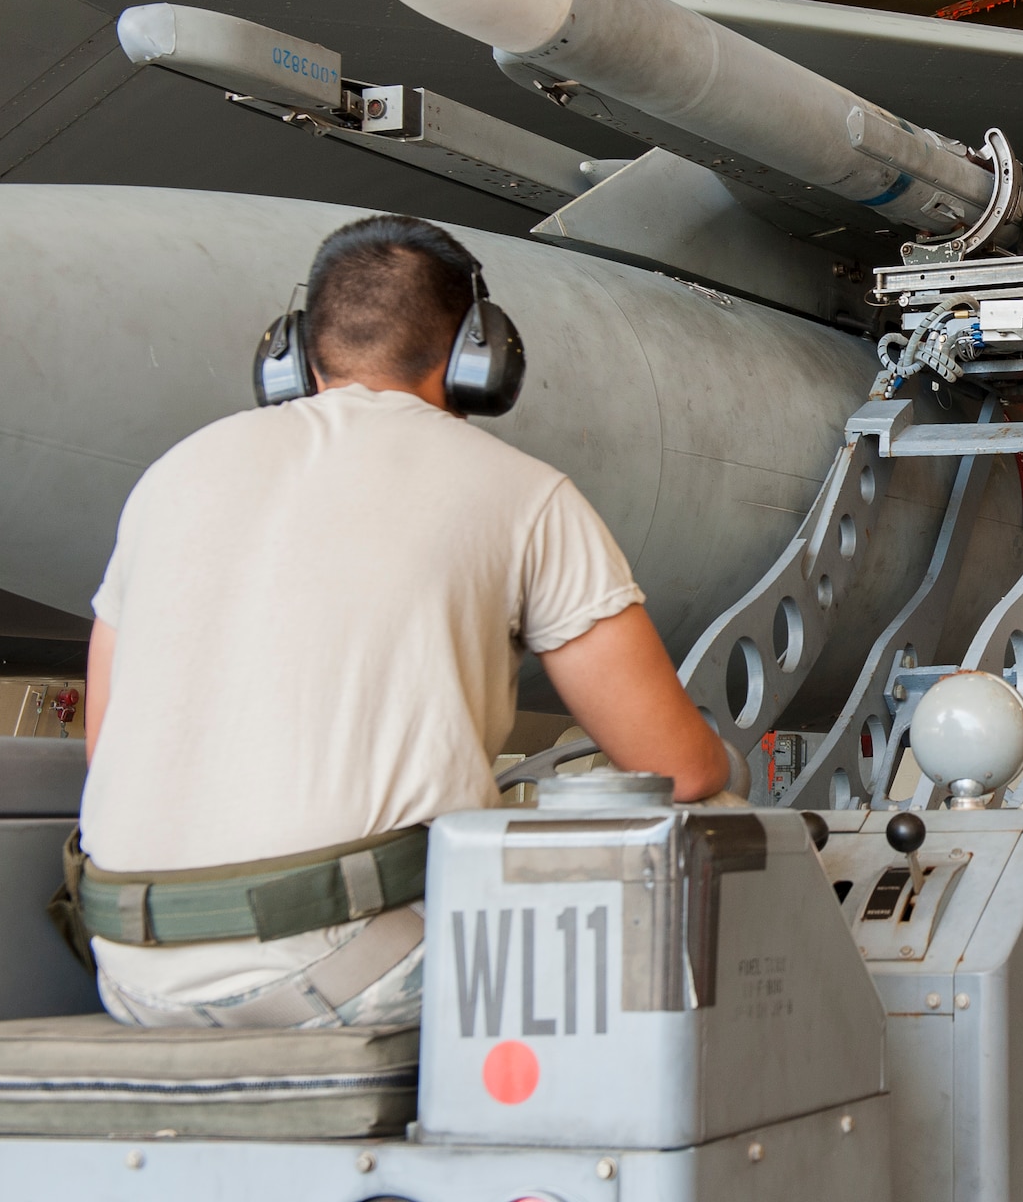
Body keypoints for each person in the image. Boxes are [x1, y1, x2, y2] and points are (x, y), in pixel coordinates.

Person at [78, 215, 727, 1029]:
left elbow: (107, 749)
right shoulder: (523, 494)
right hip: (359, 979)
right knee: (700, 882)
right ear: (480, 356)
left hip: (131, 973)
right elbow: (682, 770)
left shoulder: (170, 477)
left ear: (289, 353)